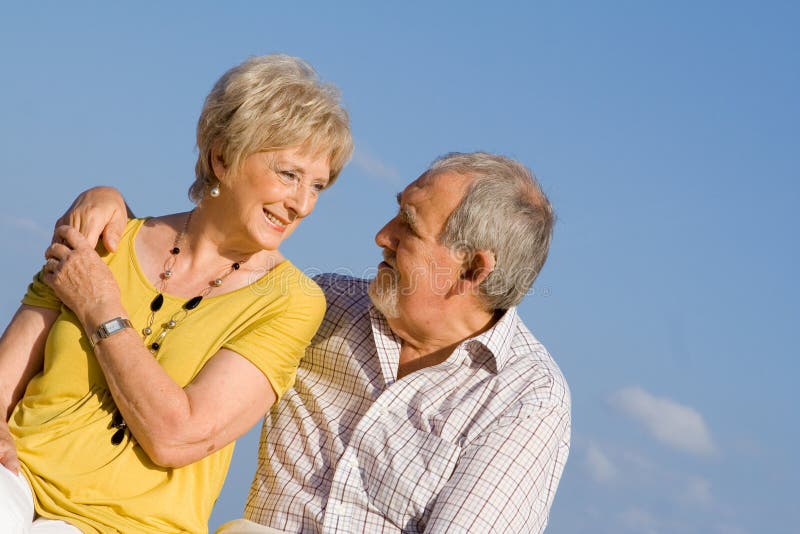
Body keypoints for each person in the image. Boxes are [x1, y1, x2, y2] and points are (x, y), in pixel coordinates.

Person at [61, 152, 570, 533]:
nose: (381, 235)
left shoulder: (528, 399)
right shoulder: (316, 304)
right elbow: (187, 271)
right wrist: (110, 209)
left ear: (473, 269)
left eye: (408, 227)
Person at [0, 54, 353, 533]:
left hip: (123, 525)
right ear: (222, 157)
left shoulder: (290, 301)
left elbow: (175, 436)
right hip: (16, 479)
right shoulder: (107, 234)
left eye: (318, 186)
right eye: (289, 175)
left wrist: (100, 306)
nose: (303, 205)